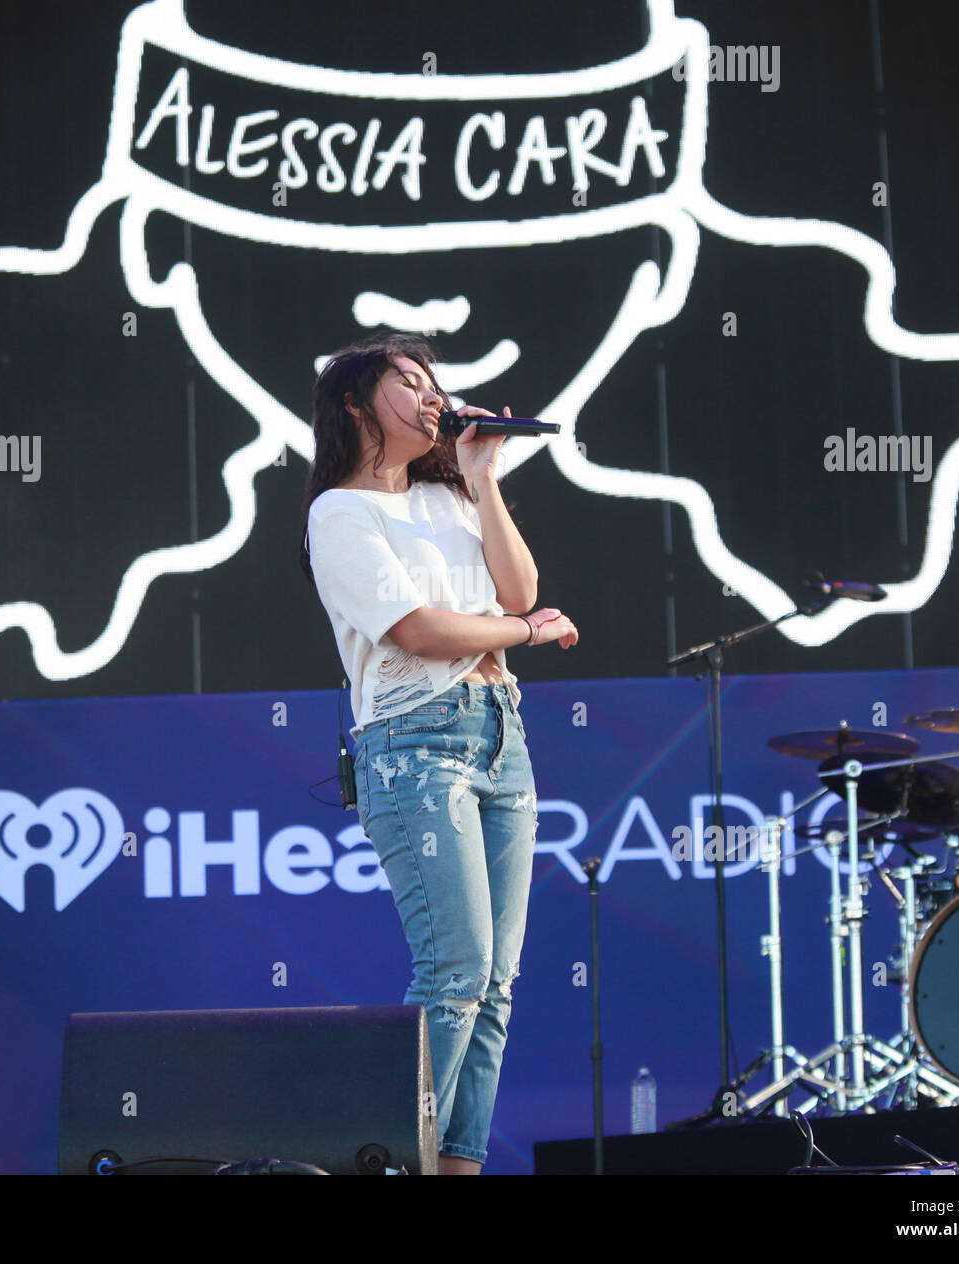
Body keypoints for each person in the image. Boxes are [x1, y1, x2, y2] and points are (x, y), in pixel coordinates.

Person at [300, 333, 578, 1174]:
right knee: (456, 969)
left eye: (435, 384)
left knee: (495, 986)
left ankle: (458, 1167)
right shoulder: (340, 511)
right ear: (355, 403)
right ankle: (397, 1159)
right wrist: (522, 633)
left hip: (501, 733)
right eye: (409, 383)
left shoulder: (449, 502)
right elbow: (419, 632)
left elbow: (520, 587)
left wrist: (483, 476)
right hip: (415, 740)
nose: (432, 397)